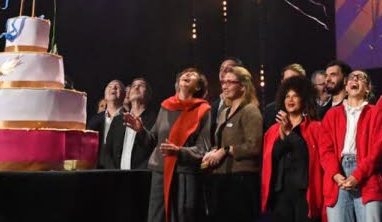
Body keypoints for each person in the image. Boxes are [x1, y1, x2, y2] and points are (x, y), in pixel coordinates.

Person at [127, 68, 212, 222]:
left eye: (193, 75)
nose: (187, 75)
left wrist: (179, 151)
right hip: (160, 172)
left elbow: (203, 149)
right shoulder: (166, 106)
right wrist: (141, 131)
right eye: (185, 73)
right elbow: (152, 140)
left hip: (184, 174)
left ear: (198, 87)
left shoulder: (203, 110)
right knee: (156, 217)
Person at [318, 69, 382, 222]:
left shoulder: (375, 113)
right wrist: (335, 174)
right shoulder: (332, 114)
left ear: (367, 88)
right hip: (338, 176)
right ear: (346, 87)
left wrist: (357, 175)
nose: (354, 79)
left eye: (360, 78)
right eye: (351, 78)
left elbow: (377, 150)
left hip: (366, 175)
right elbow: (325, 150)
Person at [203, 66, 263, 222]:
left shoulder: (250, 111)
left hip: (241, 181)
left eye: (230, 82)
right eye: (223, 82)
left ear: (243, 86)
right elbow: (221, 143)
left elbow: (254, 147)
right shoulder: (224, 112)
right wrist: (212, 153)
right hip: (222, 179)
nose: (225, 86)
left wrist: (226, 150)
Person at [262, 75, 326, 222]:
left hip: (304, 192)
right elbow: (271, 159)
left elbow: (307, 154)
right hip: (281, 192)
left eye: (295, 96)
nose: (290, 100)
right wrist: (282, 136)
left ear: (303, 99)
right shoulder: (272, 131)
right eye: (287, 96)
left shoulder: (315, 128)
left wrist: (289, 133)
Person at [101, 77, 157, 170]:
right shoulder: (117, 120)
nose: (136, 87)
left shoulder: (155, 119)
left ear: (148, 94)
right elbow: (107, 152)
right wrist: (114, 172)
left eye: (141, 85)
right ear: (128, 95)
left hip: (142, 177)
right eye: (134, 85)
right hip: (116, 178)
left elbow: (155, 150)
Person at [88, 79, 126, 160]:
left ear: (124, 95)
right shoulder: (94, 121)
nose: (113, 88)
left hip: (120, 169)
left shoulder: (129, 119)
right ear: (105, 96)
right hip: (97, 168)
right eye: (110, 86)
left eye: (117, 87)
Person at [264, 64, 308, 132]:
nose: (290, 83)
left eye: (294, 80)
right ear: (282, 82)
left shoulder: (312, 109)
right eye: (287, 80)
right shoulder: (270, 110)